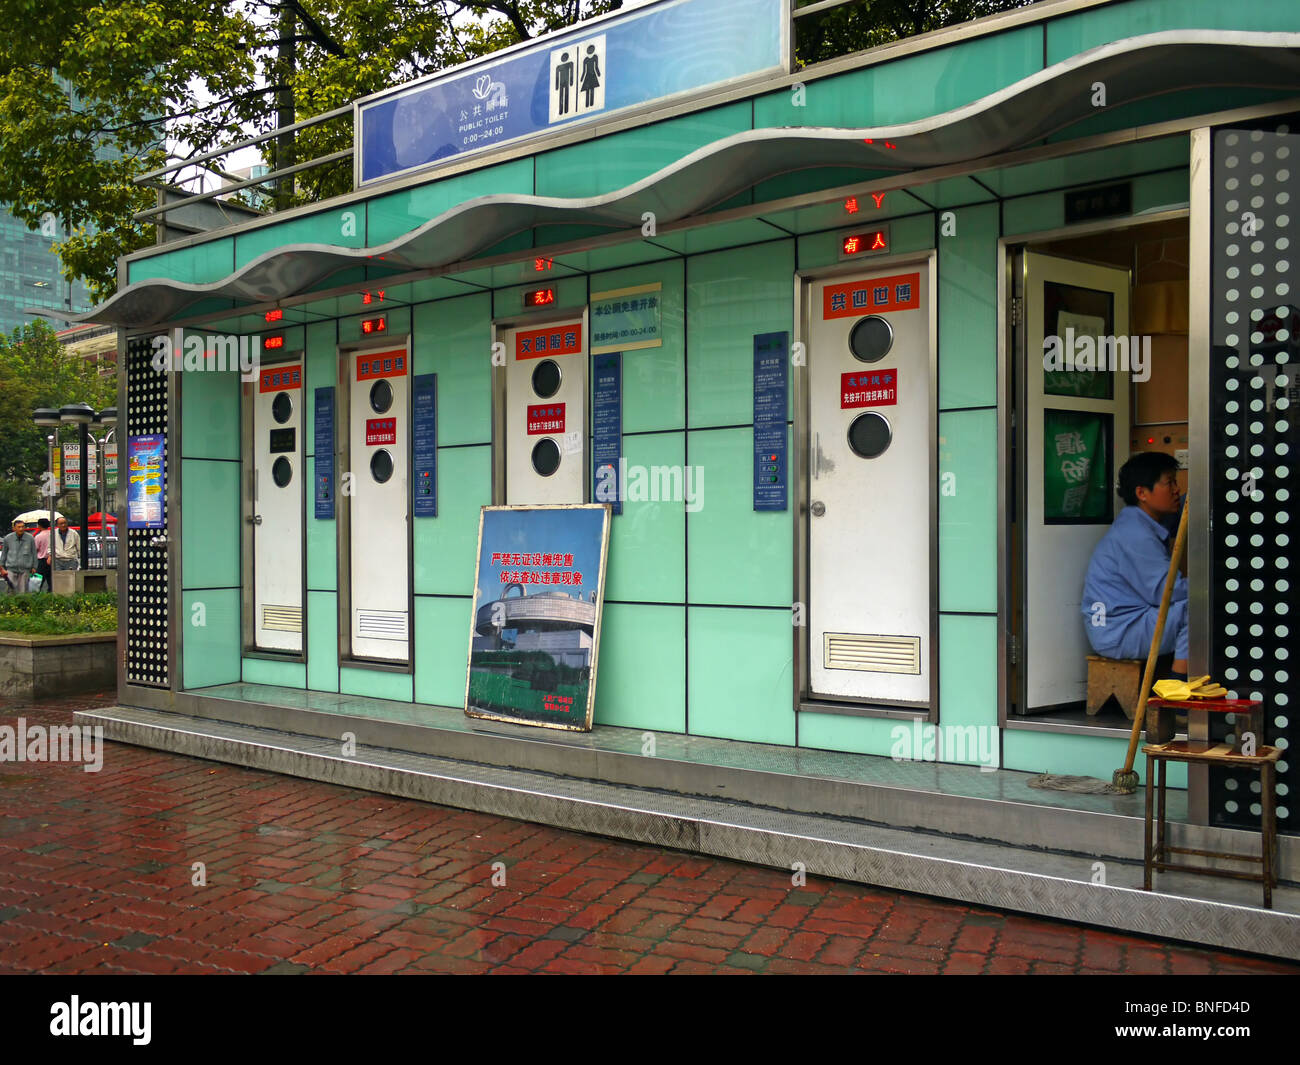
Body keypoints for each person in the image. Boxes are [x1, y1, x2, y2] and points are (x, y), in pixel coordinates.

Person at [1081, 452, 1188, 676]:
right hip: (1121, 630)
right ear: (1141, 493)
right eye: (1169, 483)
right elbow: (1168, 592)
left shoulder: (1138, 520)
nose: (1176, 490)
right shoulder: (1135, 534)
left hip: (1123, 624)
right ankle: (1178, 686)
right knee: (1196, 608)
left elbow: (1186, 507)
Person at [1, 518, 38, 595]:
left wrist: (34, 566)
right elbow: (4, 554)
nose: (21, 529)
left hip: (25, 568)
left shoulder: (30, 538)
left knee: (23, 591)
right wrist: (2, 568)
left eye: (22, 526)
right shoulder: (8, 538)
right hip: (11, 568)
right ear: (14, 528)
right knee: (10, 591)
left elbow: (34, 553)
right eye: (19, 527)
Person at [33, 518, 51, 593]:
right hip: (51, 560)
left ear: (39, 526)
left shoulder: (38, 536)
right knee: (51, 581)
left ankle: (37, 594)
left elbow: (35, 549)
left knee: (38, 582)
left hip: (41, 561)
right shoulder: (53, 534)